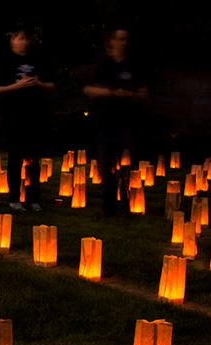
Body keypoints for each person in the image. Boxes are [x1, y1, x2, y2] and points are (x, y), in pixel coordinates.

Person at [83, 26, 147, 217]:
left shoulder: (133, 65)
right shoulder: (102, 65)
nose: (123, 42)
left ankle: (127, 203)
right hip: (104, 123)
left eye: (126, 39)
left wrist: (130, 95)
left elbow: (143, 93)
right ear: (111, 41)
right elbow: (88, 89)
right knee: (106, 165)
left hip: (127, 123)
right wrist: (111, 93)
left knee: (127, 166)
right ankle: (108, 205)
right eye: (120, 39)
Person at [0, 26, 55, 212]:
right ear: (12, 40)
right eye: (20, 38)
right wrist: (17, 86)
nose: (24, 42)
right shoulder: (5, 63)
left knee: (34, 159)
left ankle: (34, 197)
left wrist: (39, 83)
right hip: (14, 116)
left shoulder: (38, 61)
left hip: (35, 116)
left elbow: (52, 86)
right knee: (15, 159)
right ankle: (14, 198)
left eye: (26, 39)